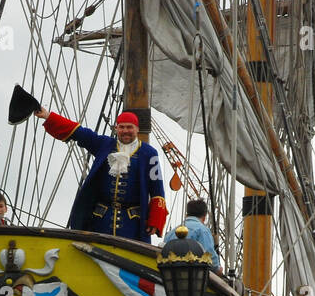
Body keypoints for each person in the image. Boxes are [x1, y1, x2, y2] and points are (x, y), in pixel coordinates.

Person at [34, 107, 167, 241]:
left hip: (132, 224)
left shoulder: (150, 153)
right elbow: (79, 132)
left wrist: (155, 221)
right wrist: (48, 116)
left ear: (137, 129)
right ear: (116, 128)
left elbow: (157, 190)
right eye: (122, 127)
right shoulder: (104, 144)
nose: (125, 131)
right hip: (101, 220)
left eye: (129, 127)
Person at [170, 198, 221, 271]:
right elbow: (209, 255)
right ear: (204, 218)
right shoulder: (202, 231)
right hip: (192, 275)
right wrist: (218, 269)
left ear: (187, 215)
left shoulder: (172, 232)